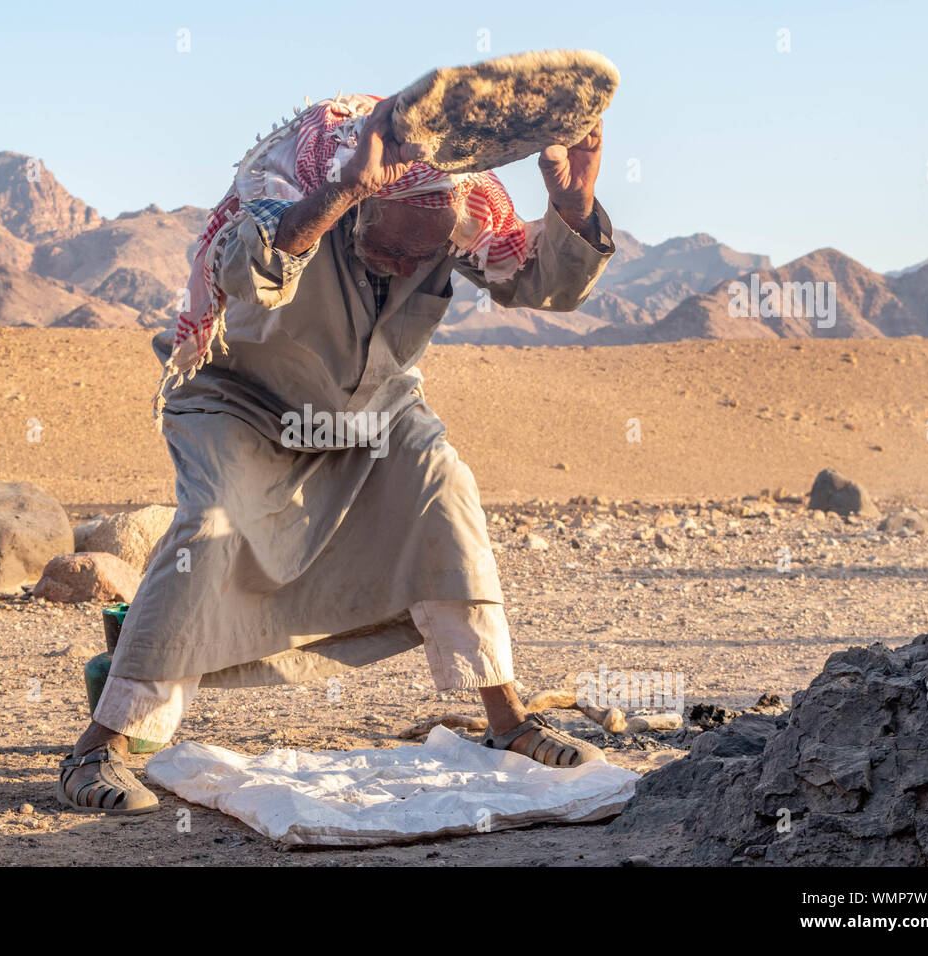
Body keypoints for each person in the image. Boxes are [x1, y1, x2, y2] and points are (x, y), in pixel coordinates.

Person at [57, 94, 616, 814]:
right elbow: (247, 270)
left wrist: (574, 209)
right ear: (362, 208)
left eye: (426, 253)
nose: (409, 264)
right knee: (216, 528)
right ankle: (96, 750)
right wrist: (346, 188)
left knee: (443, 490)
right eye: (393, 247)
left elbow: (535, 282)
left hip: (373, 410)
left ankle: (505, 721)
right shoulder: (285, 182)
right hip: (239, 401)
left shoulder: (457, 202)